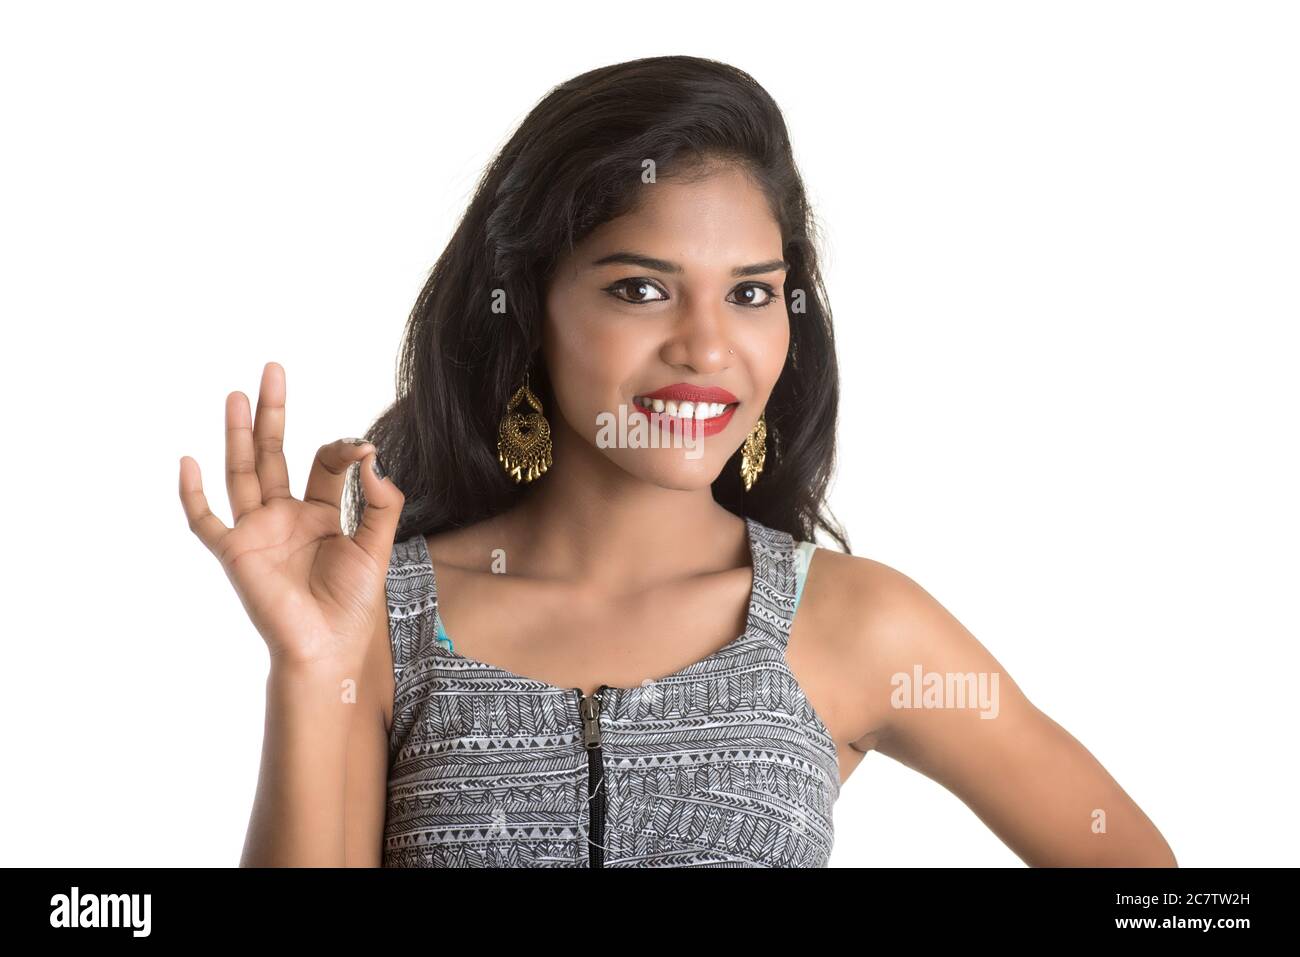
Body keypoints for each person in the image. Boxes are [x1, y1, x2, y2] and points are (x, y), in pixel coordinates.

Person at [178, 55, 1176, 868]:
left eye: (749, 294)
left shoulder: (855, 623)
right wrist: (312, 667)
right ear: (528, 307)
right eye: (641, 290)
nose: (707, 348)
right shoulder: (383, 619)